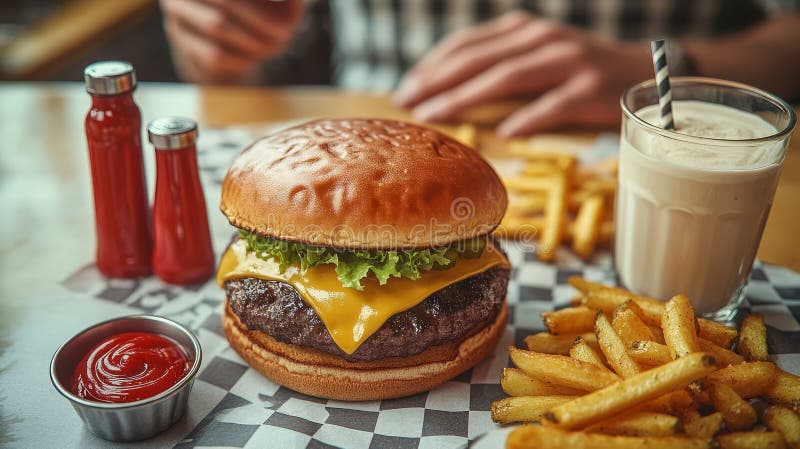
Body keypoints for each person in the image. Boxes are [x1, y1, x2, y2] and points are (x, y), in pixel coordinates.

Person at [160, 0, 800, 136]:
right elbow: (242, 78)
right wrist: (216, 41)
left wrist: (674, 72)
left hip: (656, 140)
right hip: (357, 132)